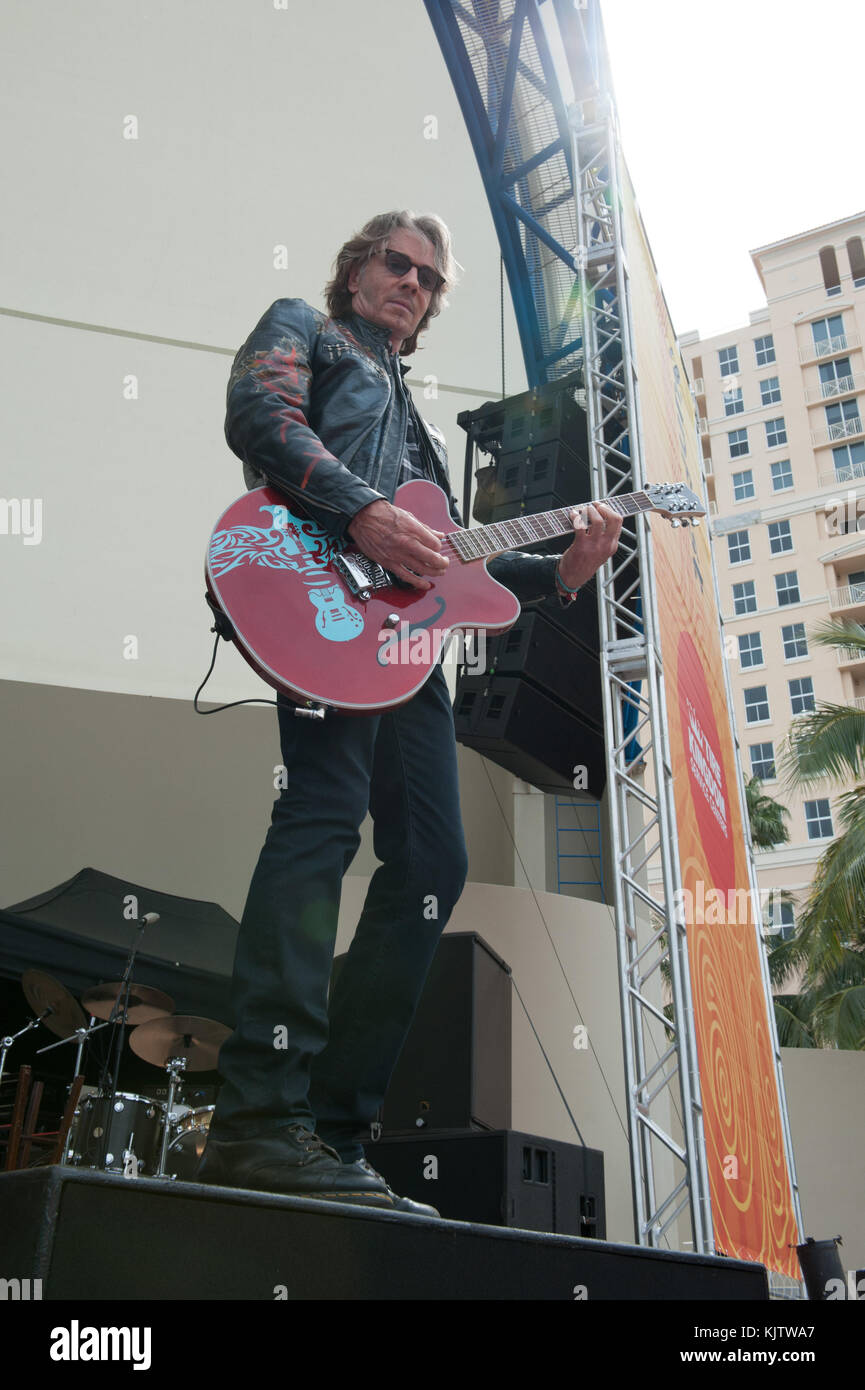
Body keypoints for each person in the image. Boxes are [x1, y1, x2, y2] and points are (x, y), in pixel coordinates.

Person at [196, 211, 622, 1215]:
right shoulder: (303, 322)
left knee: (433, 863)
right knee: (320, 813)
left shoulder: (416, 417)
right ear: (355, 270)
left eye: (429, 279)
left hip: (402, 646)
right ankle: (257, 1119)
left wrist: (562, 567)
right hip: (313, 595)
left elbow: (449, 555)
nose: (411, 283)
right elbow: (260, 419)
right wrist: (361, 509)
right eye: (397, 263)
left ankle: (332, 1136)